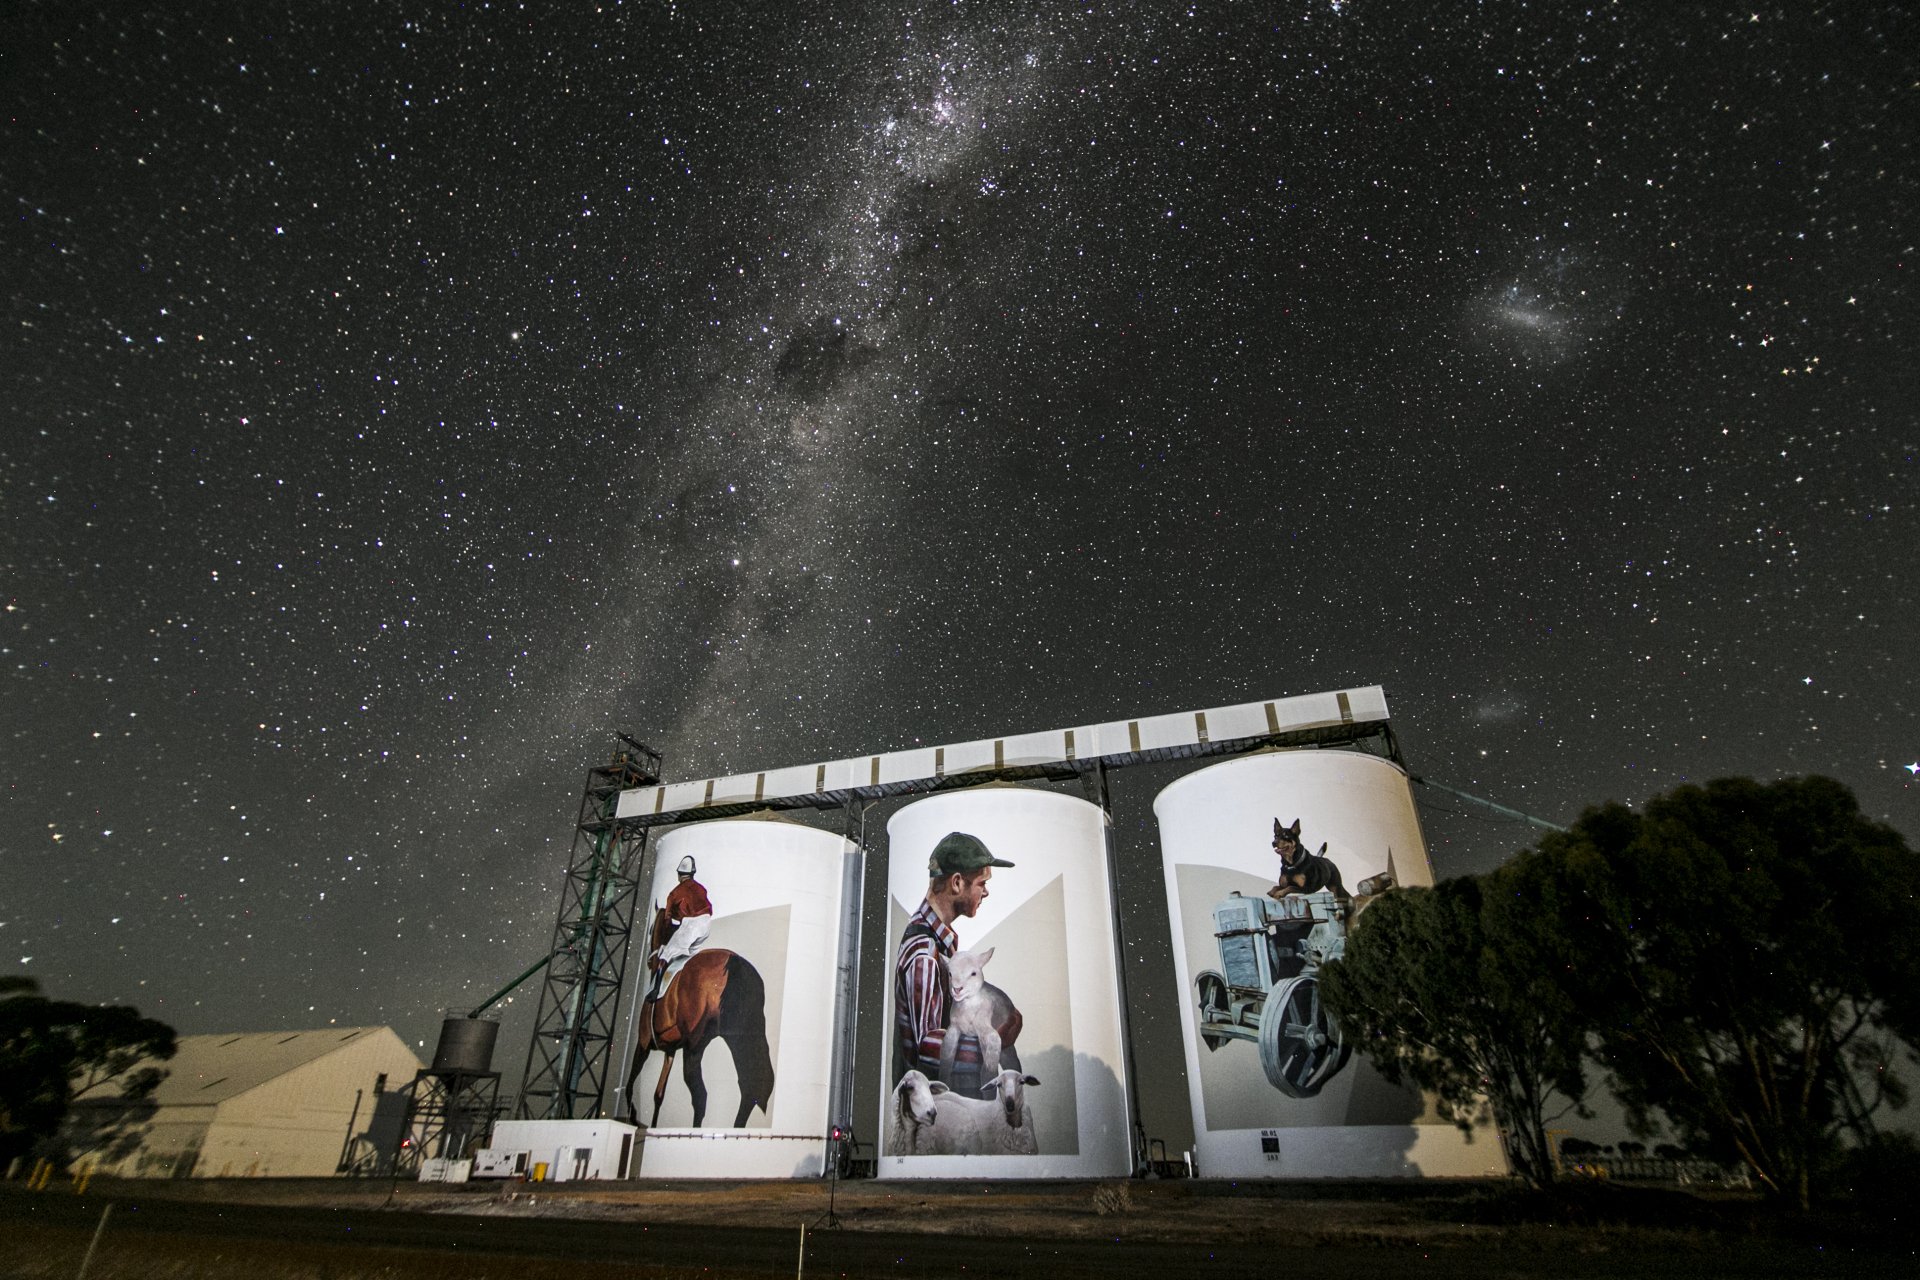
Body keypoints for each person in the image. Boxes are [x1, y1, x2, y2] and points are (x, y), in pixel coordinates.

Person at [893, 831, 1012, 1098]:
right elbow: (926, 1048)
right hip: (928, 1109)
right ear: (957, 883)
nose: (986, 892)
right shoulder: (925, 952)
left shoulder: (940, 943)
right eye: (982, 882)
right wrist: (995, 1041)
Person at [647, 855, 713, 1001]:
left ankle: (656, 990)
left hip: (691, 924)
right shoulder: (701, 888)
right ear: (692, 873)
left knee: (665, 955)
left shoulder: (674, 893)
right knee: (690, 955)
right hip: (706, 924)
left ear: (679, 874)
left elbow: (667, 919)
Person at [1267, 817, 1349, 902]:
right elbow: (1283, 887)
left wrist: (1287, 890)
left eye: (1285, 838)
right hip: (1289, 868)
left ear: (1295, 842)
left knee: (1339, 896)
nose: (1276, 841)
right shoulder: (1285, 868)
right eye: (1276, 837)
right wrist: (1276, 889)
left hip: (1329, 869)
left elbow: (1307, 890)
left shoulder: (1307, 866)